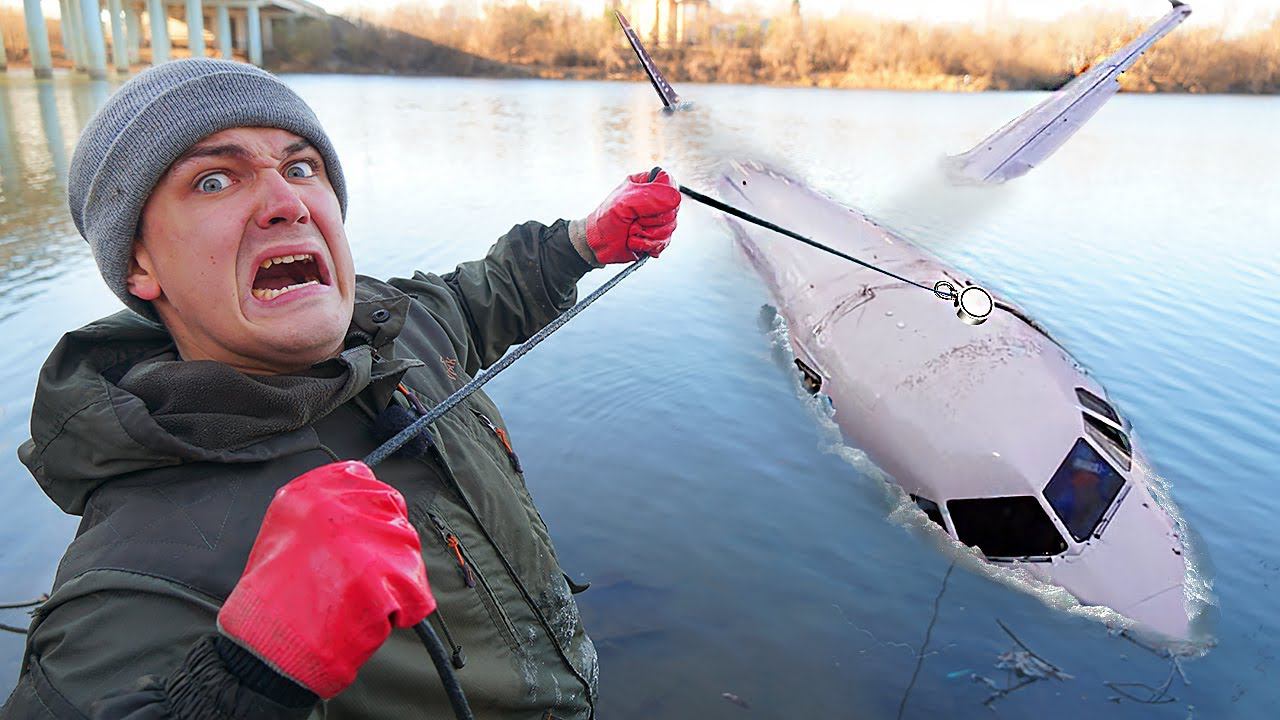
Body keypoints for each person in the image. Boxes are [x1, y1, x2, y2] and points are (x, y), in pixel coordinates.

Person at [0, 58, 680, 720]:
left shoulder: (395, 331)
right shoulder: (138, 567)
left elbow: (478, 301)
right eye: (213, 180)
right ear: (139, 262)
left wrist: (584, 243)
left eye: (302, 167)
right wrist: (245, 680)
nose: (285, 201)